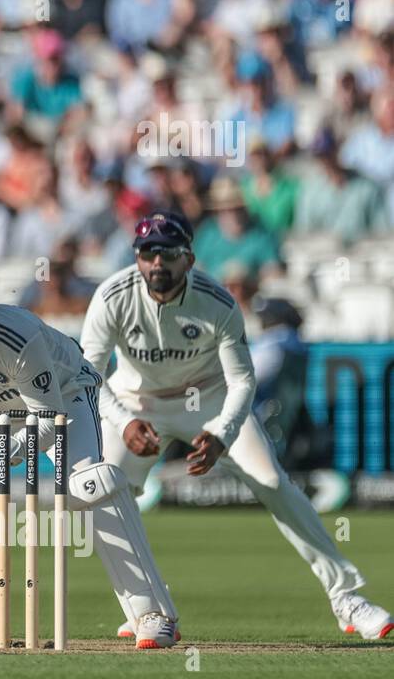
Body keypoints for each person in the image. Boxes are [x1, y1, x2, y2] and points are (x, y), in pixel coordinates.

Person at [80, 211, 392, 640]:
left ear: (188, 259)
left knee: (270, 479)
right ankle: (147, 606)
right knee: (103, 489)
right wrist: (124, 420)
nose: (157, 263)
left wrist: (222, 432)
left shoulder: (217, 302)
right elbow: (86, 375)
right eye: (148, 253)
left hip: (208, 398)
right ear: (137, 258)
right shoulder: (112, 296)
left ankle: (347, 598)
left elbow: (243, 380)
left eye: (168, 253)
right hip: (134, 401)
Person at [0, 252, 179, 650]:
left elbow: (48, 418)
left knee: (90, 483)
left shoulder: (15, 336)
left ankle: (152, 614)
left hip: (64, 396)